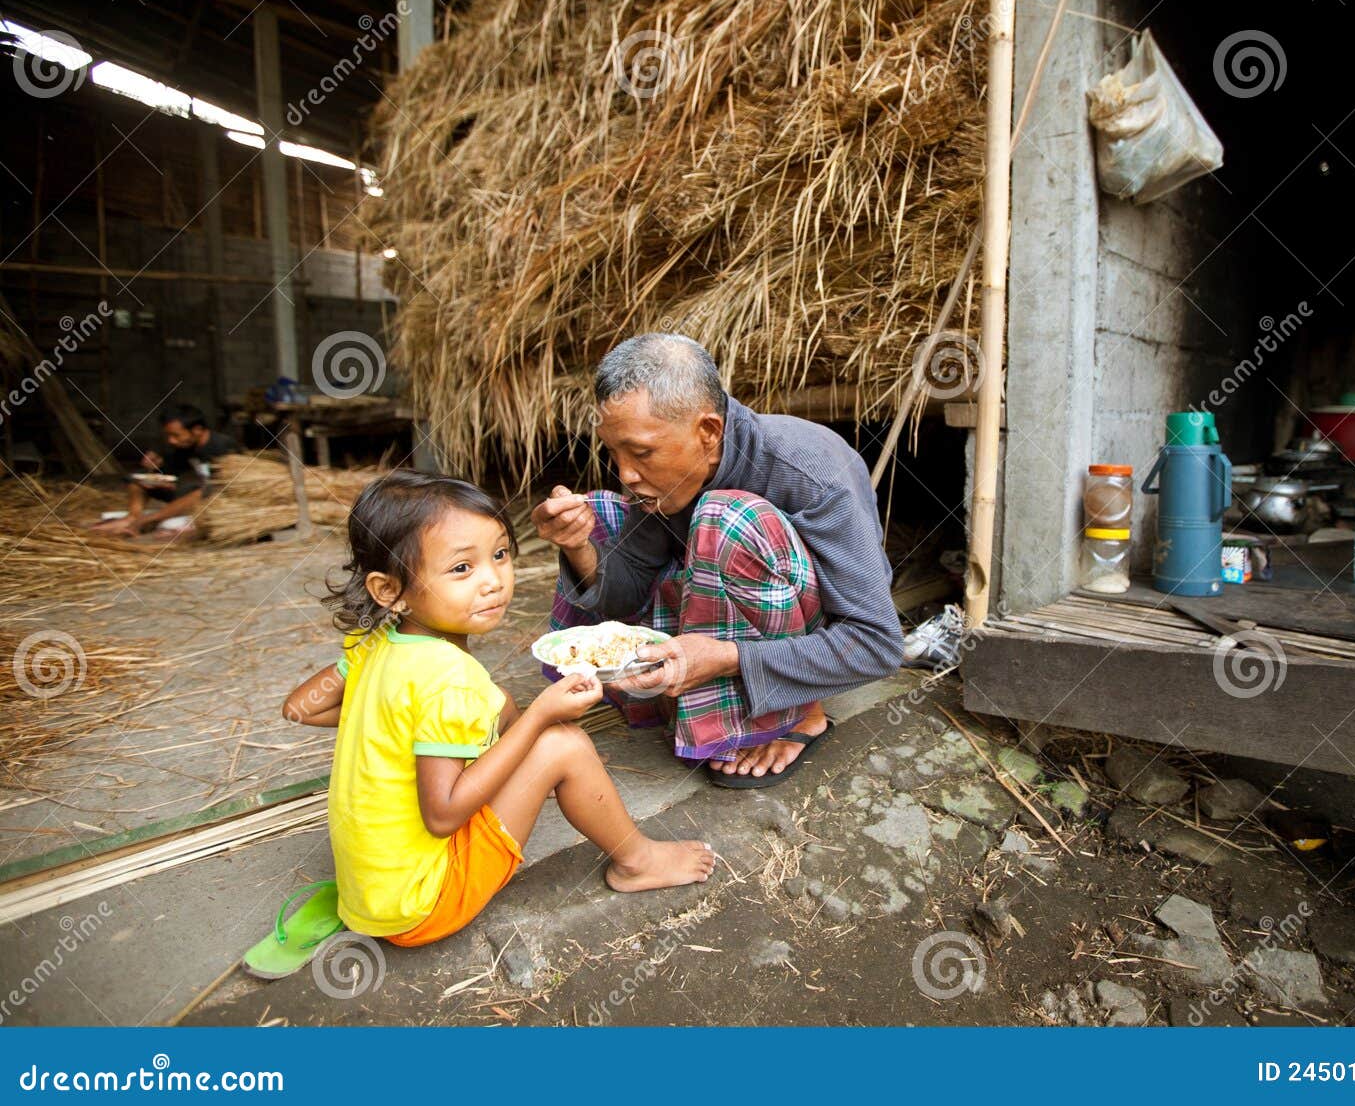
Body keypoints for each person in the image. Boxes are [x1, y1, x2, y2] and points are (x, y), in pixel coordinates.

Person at [282, 469, 714, 947]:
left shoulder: (378, 643)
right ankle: (637, 860)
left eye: (500, 554)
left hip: (372, 897)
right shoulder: (448, 678)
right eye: (461, 569)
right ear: (389, 591)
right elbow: (443, 816)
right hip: (424, 905)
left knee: (501, 702)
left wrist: (384, 718)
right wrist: (540, 717)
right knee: (563, 743)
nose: (493, 581)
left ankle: (548, 774)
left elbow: (299, 707)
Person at [532, 333, 901, 788]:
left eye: (642, 452)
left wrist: (726, 658)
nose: (626, 472)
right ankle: (701, 690)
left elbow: (876, 645)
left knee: (729, 518)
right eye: (614, 451)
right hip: (729, 615)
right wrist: (577, 545)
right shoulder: (663, 478)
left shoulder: (809, 472)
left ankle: (801, 716)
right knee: (602, 512)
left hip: (819, 623)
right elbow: (625, 598)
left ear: (708, 432)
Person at [92, 404, 238, 537]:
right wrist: (156, 469)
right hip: (188, 491)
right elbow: (170, 472)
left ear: (197, 430)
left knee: (207, 490)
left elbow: (225, 487)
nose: (171, 441)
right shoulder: (183, 445)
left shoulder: (223, 447)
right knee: (137, 479)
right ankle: (133, 517)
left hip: (216, 497)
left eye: (176, 435)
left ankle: (148, 520)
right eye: (168, 436)